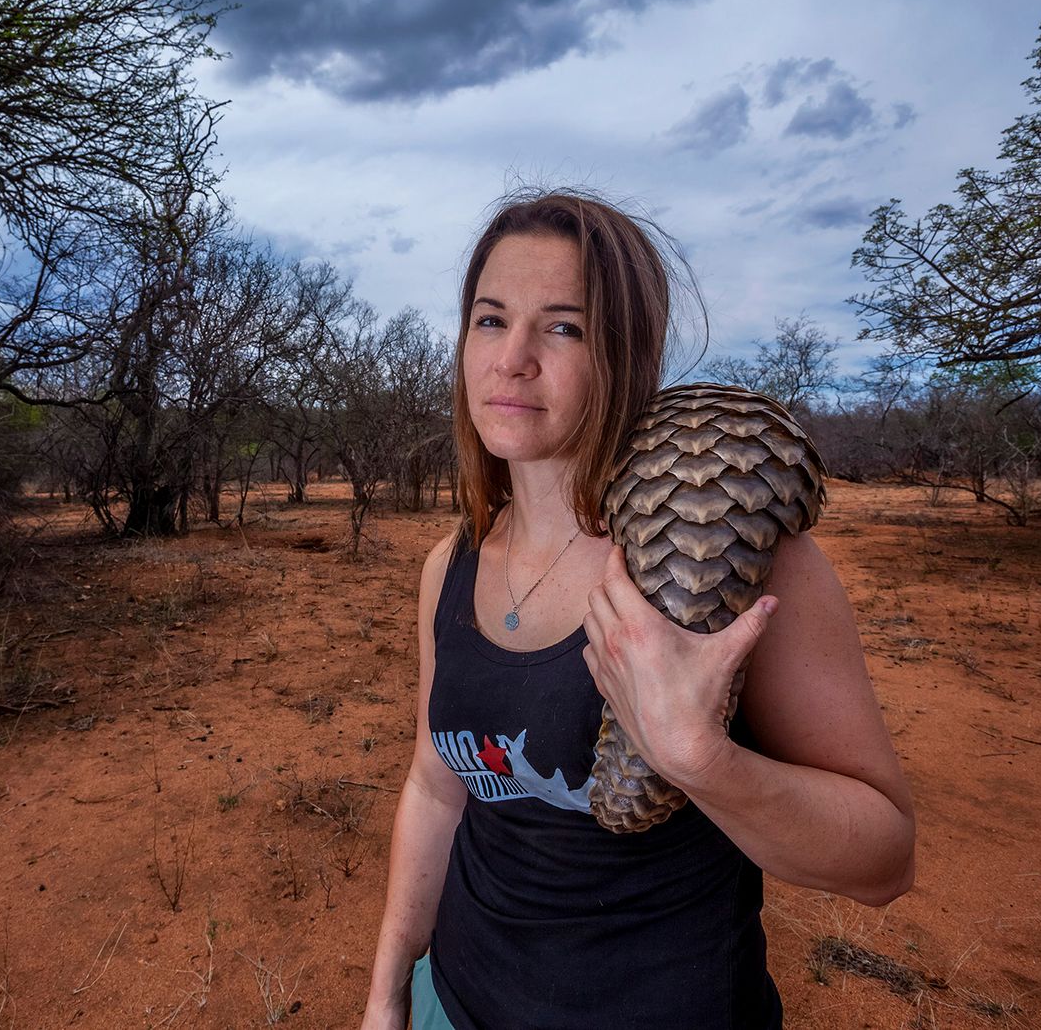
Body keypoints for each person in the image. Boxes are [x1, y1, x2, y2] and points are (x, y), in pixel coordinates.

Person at [358, 189, 916, 1030]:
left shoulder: (735, 564)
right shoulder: (449, 565)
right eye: (489, 318)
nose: (512, 358)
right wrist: (389, 991)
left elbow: (885, 857)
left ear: (625, 351)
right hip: (459, 1002)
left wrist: (701, 758)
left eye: (563, 326)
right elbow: (436, 789)